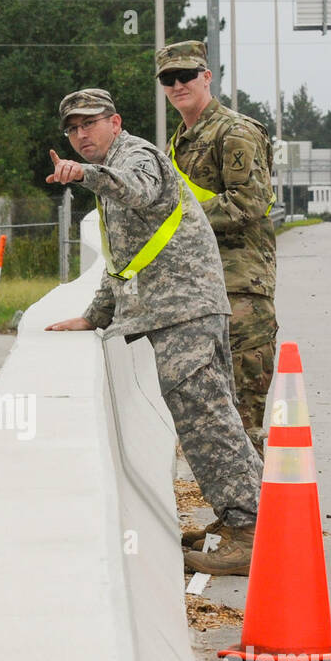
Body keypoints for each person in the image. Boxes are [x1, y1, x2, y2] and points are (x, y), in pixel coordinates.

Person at [44, 88, 262, 575]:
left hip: (183, 311)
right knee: (215, 418)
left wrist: (86, 175)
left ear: (115, 122)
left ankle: (249, 534)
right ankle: (246, 519)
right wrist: (96, 314)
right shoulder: (115, 169)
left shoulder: (136, 156)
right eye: (73, 129)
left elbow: (137, 188)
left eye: (90, 124)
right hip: (180, 310)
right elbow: (125, 261)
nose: (81, 135)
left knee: (207, 423)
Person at [157, 40, 278, 466]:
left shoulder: (234, 131)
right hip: (205, 292)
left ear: (207, 77)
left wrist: (180, 219)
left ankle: (256, 527)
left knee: (243, 415)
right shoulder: (182, 140)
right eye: (168, 79)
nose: (177, 85)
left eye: (186, 76)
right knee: (218, 417)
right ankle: (236, 518)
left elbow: (250, 203)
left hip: (242, 291)